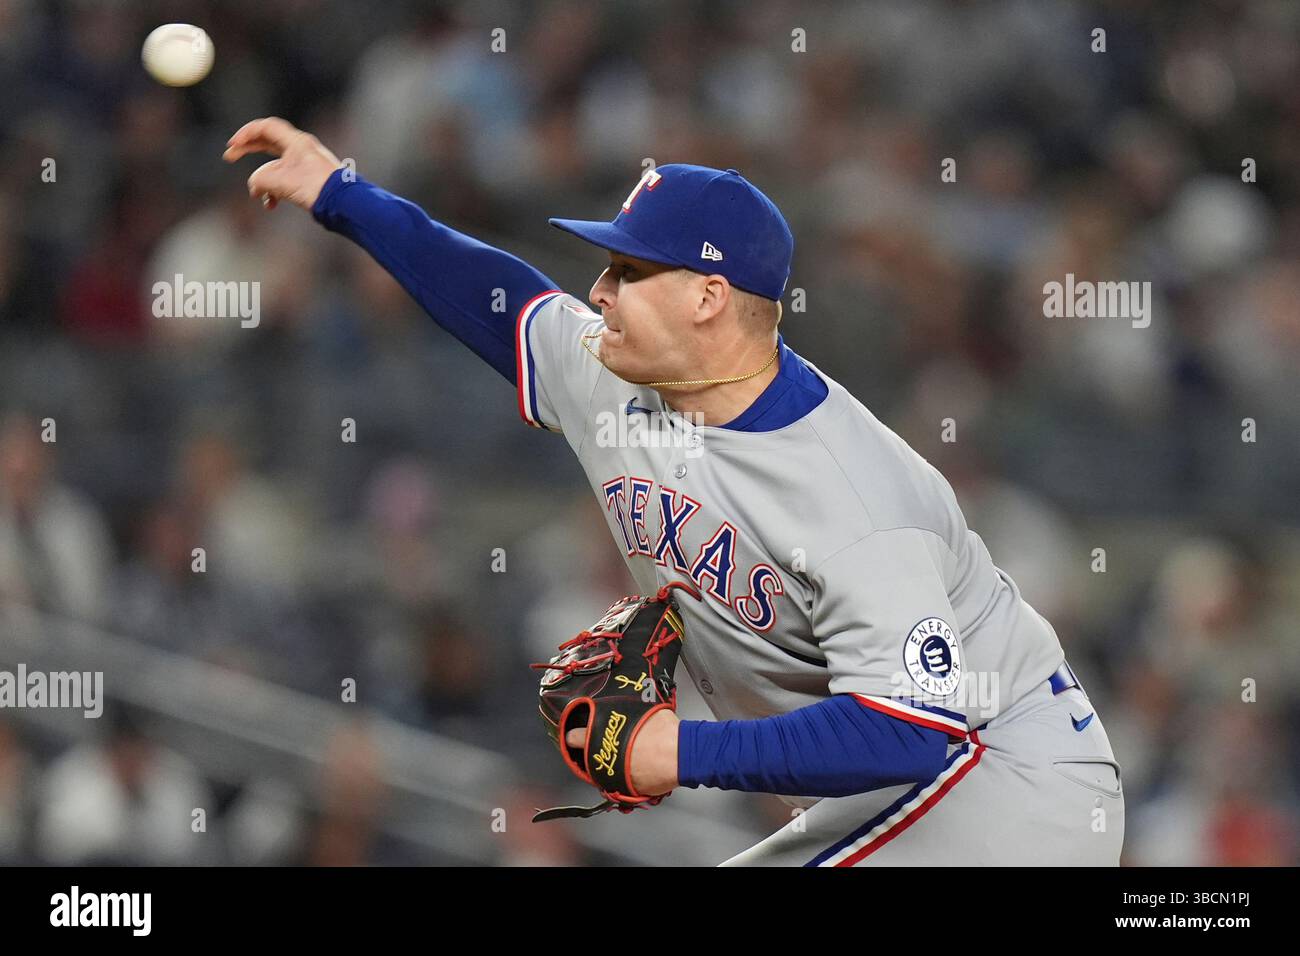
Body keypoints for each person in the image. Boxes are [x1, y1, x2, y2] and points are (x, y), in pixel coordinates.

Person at [222, 117, 1124, 866]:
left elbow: (908, 728)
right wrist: (342, 194)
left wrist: (674, 754)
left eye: (628, 272)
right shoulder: (614, 378)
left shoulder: (851, 492)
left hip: (1007, 774)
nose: (600, 291)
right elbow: (500, 298)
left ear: (707, 298)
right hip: (917, 784)